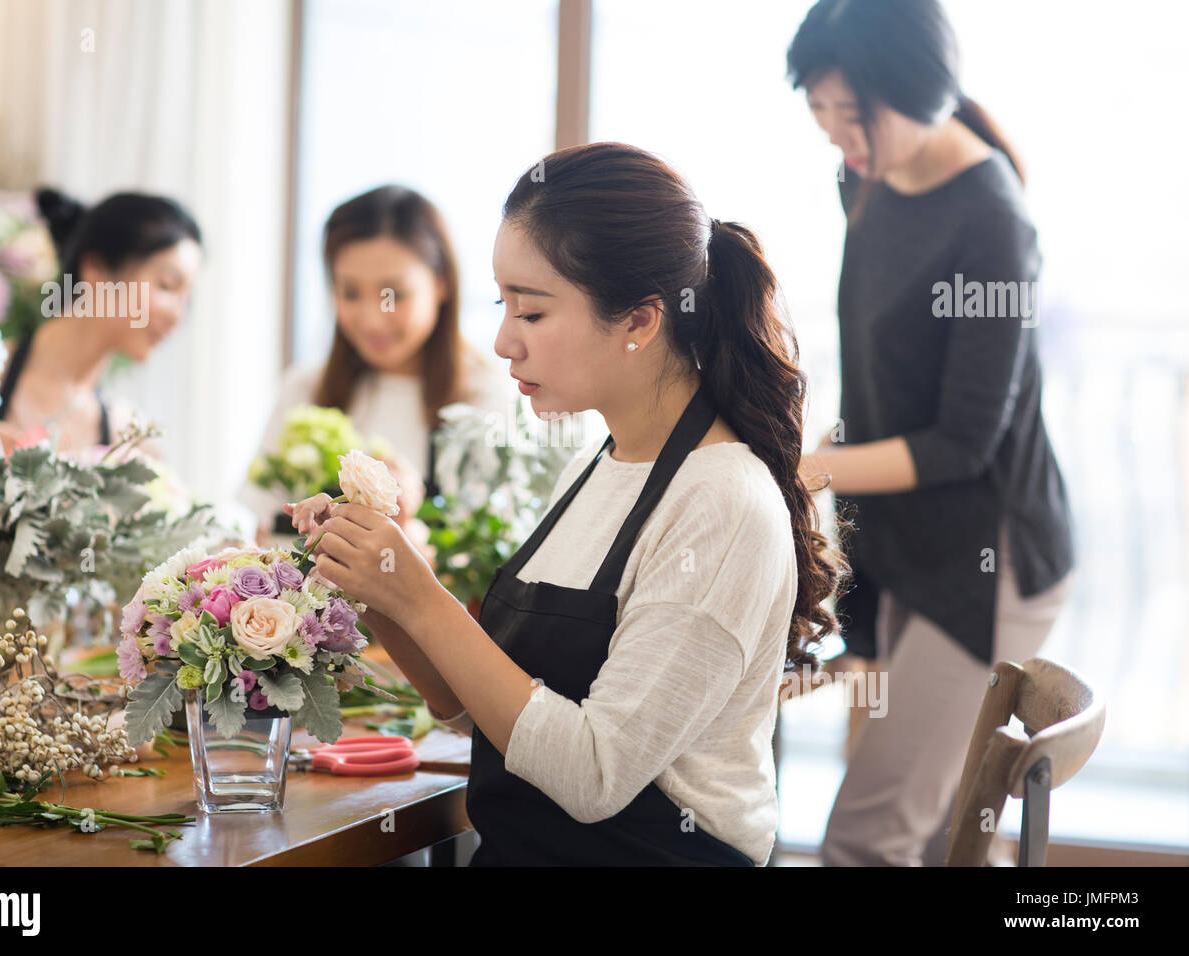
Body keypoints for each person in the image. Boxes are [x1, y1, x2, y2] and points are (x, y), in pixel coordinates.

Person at [284, 143, 846, 866]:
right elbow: (472, 714)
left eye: (533, 311)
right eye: (502, 304)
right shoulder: (594, 468)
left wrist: (420, 596)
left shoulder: (722, 502)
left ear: (641, 321)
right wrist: (374, 588)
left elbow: (594, 775)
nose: (503, 341)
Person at [787, 0, 1076, 866]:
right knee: (945, 825)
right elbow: (884, 379)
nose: (842, 137)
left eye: (857, 112)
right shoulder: (864, 180)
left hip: (988, 562)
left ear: (925, 90)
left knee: (866, 838)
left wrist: (810, 469)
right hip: (908, 548)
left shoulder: (993, 223)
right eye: (822, 111)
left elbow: (962, 441)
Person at [239, 185, 513, 538]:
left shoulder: (483, 400)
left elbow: (489, 554)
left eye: (393, 295)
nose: (372, 319)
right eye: (350, 292)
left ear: (441, 282)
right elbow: (254, 522)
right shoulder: (305, 389)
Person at [0, 188, 202, 464]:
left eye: (186, 299)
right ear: (96, 269)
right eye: (167, 285)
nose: (177, 316)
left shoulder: (130, 442)